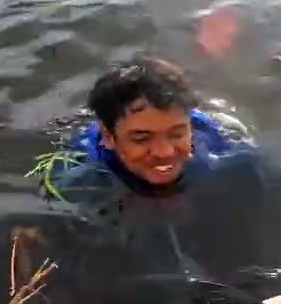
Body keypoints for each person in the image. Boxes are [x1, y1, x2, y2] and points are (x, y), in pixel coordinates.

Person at [41, 55, 263, 207]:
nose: (164, 152)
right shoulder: (78, 176)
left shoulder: (211, 135)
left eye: (177, 134)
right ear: (109, 137)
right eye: (141, 138)